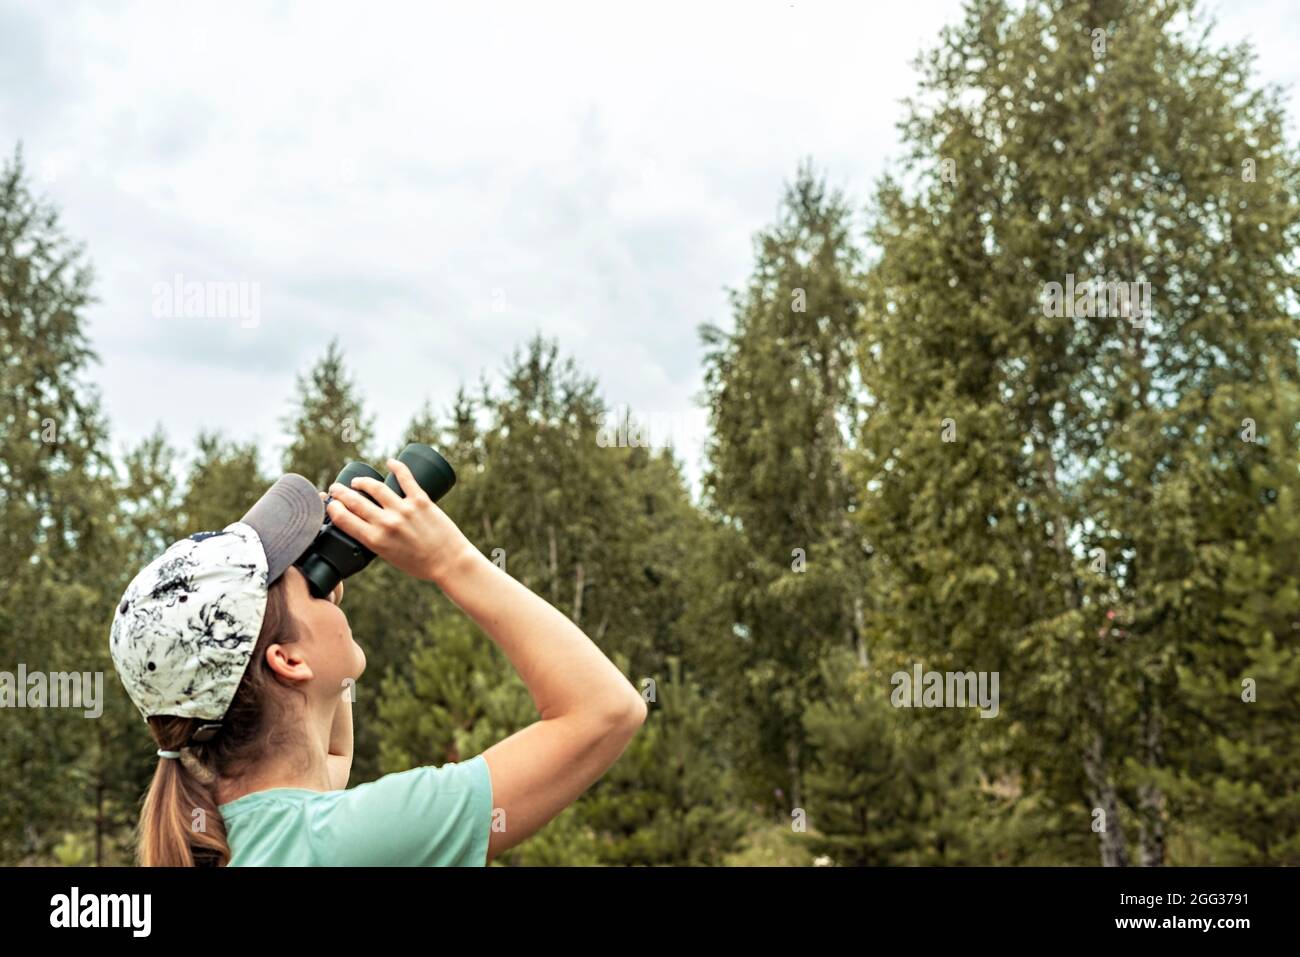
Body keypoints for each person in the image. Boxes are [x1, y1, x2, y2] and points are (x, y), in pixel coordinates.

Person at [108, 457, 647, 866]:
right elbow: (604, 711)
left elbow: (330, 755)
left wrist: (315, 622)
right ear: (287, 660)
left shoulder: (224, 835)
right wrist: (449, 560)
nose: (330, 589)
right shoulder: (348, 839)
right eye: (311, 584)